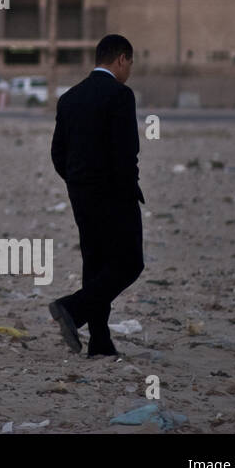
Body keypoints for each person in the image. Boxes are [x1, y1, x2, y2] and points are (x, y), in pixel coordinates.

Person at [48, 34, 145, 357]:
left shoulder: (69, 98)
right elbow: (127, 152)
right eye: (130, 63)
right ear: (121, 59)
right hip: (115, 195)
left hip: (81, 194)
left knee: (96, 264)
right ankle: (72, 309)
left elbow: (58, 152)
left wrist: (77, 182)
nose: (129, 69)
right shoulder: (120, 95)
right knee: (129, 263)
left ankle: (100, 342)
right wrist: (127, 190)